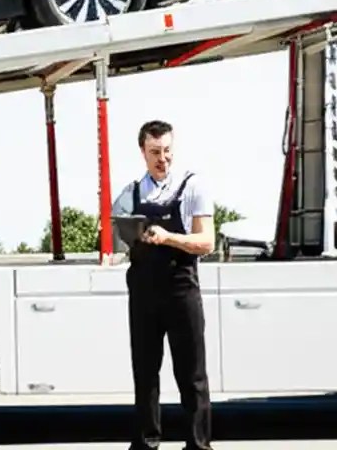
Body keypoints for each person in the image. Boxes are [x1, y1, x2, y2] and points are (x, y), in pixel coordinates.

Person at [111, 119, 215, 450]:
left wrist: (168, 237)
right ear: (142, 152)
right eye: (155, 152)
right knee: (145, 373)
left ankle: (199, 445)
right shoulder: (130, 194)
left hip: (181, 288)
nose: (163, 158)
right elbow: (117, 244)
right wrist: (122, 246)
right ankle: (145, 443)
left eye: (167, 151)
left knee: (192, 375)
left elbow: (207, 242)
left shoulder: (193, 187)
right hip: (143, 293)